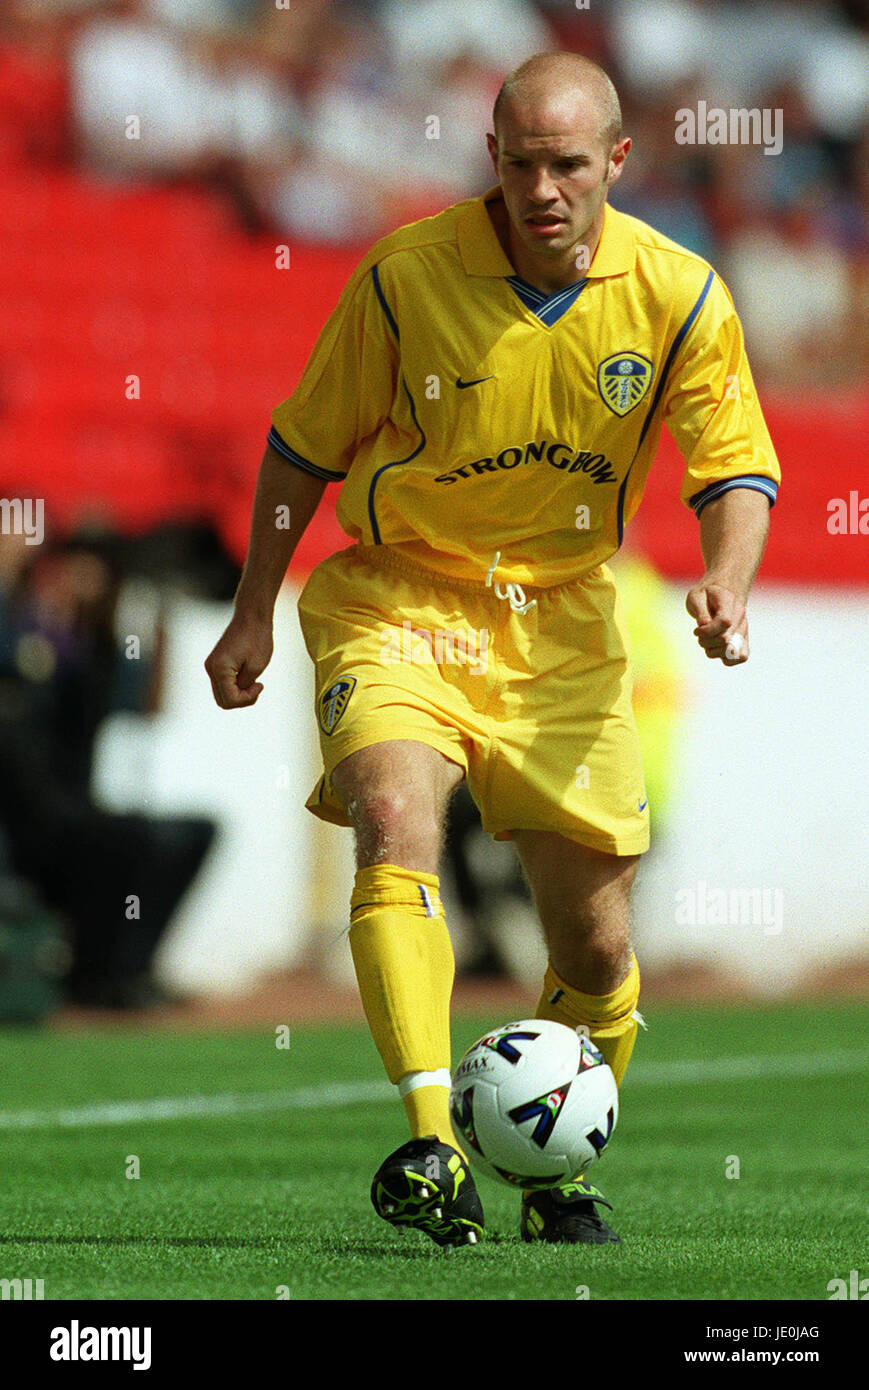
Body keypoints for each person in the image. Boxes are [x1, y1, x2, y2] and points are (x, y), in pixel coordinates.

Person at [205, 52, 779, 1248]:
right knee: (396, 822)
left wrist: (726, 579)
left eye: (567, 164)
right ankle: (428, 1139)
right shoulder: (406, 276)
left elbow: (731, 463)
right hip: (399, 600)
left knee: (599, 946)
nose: (542, 188)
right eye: (519, 163)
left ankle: (554, 1180)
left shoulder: (676, 296)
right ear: (490, 161)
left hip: (561, 625)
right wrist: (255, 606)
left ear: (617, 163)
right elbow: (301, 447)